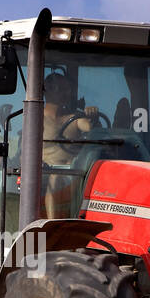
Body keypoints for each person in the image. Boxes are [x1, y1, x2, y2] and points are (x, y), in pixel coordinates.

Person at [40, 73, 99, 218]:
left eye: (68, 89)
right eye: (62, 89)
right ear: (48, 90)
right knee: (56, 178)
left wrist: (93, 118)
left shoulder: (75, 118)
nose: (67, 93)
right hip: (44, 176)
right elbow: (24, 153)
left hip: (75, 175)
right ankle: (52, 226)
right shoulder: (35, 119)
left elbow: (90, 128)